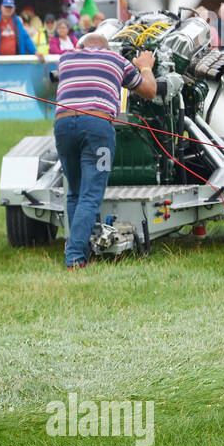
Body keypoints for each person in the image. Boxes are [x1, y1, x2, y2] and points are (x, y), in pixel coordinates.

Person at [54, 32, 156, 269]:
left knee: (75, 193)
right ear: (106, 47)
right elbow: (150, 91)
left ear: (82, 46)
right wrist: (146, 67)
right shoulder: (116, 60)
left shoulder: (66, 57)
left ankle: (83, 248)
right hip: (98, 128)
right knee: (91, 193)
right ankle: (75, 258)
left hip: (63, 125)